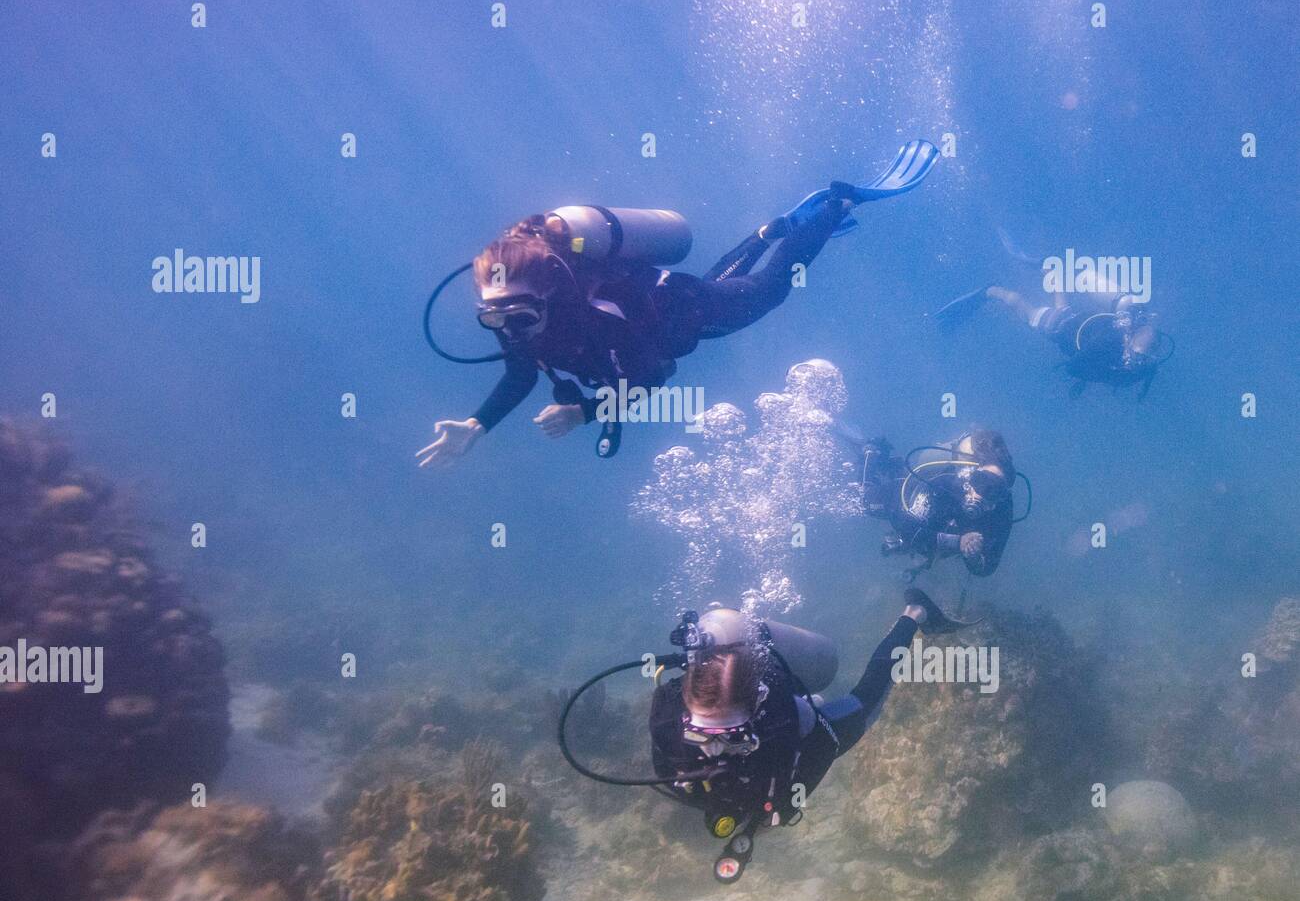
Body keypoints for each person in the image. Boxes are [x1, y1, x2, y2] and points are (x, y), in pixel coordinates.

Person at [416, 141, 938, 464]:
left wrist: (585, 413)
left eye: (521, 317)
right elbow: (519, 375)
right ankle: (766, 232)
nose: (511, 330)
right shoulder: (518, 314)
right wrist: (476, 426)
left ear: (551, 293)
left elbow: (648, 379)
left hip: (683, 308)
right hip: (666, 313)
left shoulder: (597, 313)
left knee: (770, 290)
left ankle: (834, 205)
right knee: (722, 284)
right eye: (495, 319)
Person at [648, 591, 963, 840]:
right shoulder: (665, 722)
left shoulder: (781, 717)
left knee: (865, 706)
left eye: (731, 736)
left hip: (792, 699)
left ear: (755, 713)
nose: (713, 749)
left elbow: (821, 751)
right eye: (700, 736)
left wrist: (784, 806)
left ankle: (914, 614)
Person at [935, 281, 1166, 399]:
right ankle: (993, 291)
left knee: (1063, 309)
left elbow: (1147, 374)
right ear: (1129, 342)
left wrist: (1143, 392)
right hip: (1059, 327)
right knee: (1027, 312)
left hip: (1074, 320)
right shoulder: (1107, 343)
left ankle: (1050, 271)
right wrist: (1090, 378)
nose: (1137, 361)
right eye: (1136, 355)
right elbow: (1075, 366)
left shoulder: (1147, 363)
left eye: (1143, 357)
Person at [845, 429, 1016, 578]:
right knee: (866, 502)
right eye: (981, 480)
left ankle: (893, 466)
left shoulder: (1002, 510)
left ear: (1003, 495)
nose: (984, 493)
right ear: (972, 474)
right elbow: (905, 525)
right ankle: (870, 454)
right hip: (905, 497)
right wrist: (958, 543)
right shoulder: (946, 482)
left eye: (996, 491)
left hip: (935, 523)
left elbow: (987, 568)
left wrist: (973, 556)